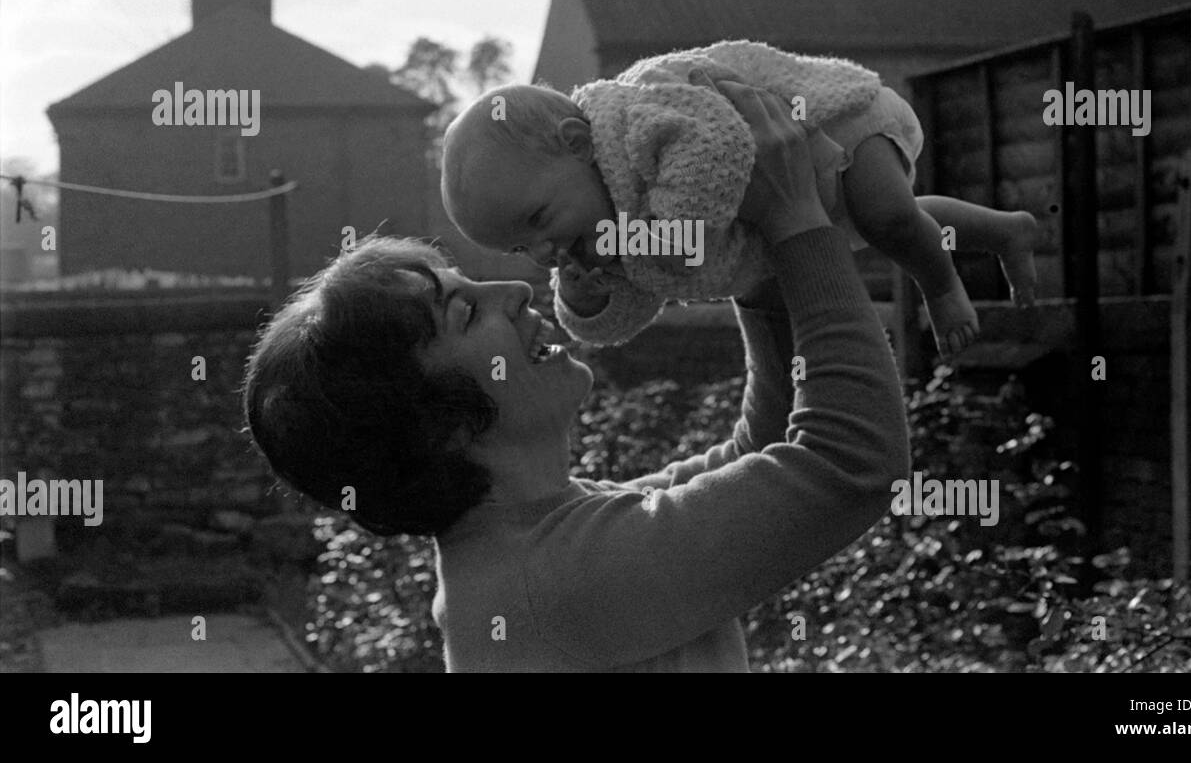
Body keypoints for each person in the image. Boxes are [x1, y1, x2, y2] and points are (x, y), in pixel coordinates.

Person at [242, 78, 911, 671]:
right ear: (438, 425)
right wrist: (797, 222)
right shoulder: (562, 582)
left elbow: (758, 456)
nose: (517, 292)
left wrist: (756, 271)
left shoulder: (534, 541)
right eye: (466, 312)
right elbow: (851, 460)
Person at [439, 41, 1039, 357]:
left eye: (539, 219)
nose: (545, 250)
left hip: (838, 125)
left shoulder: (638, 108)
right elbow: (637, 304)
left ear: (575, 144)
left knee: (888, 217)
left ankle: (941, 288)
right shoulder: (596, 228)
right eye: (522, 246)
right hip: (806, 199)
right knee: (885, 222)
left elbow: (718, 146)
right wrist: (587, 299)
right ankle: (1005, 229)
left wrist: (669, 234)